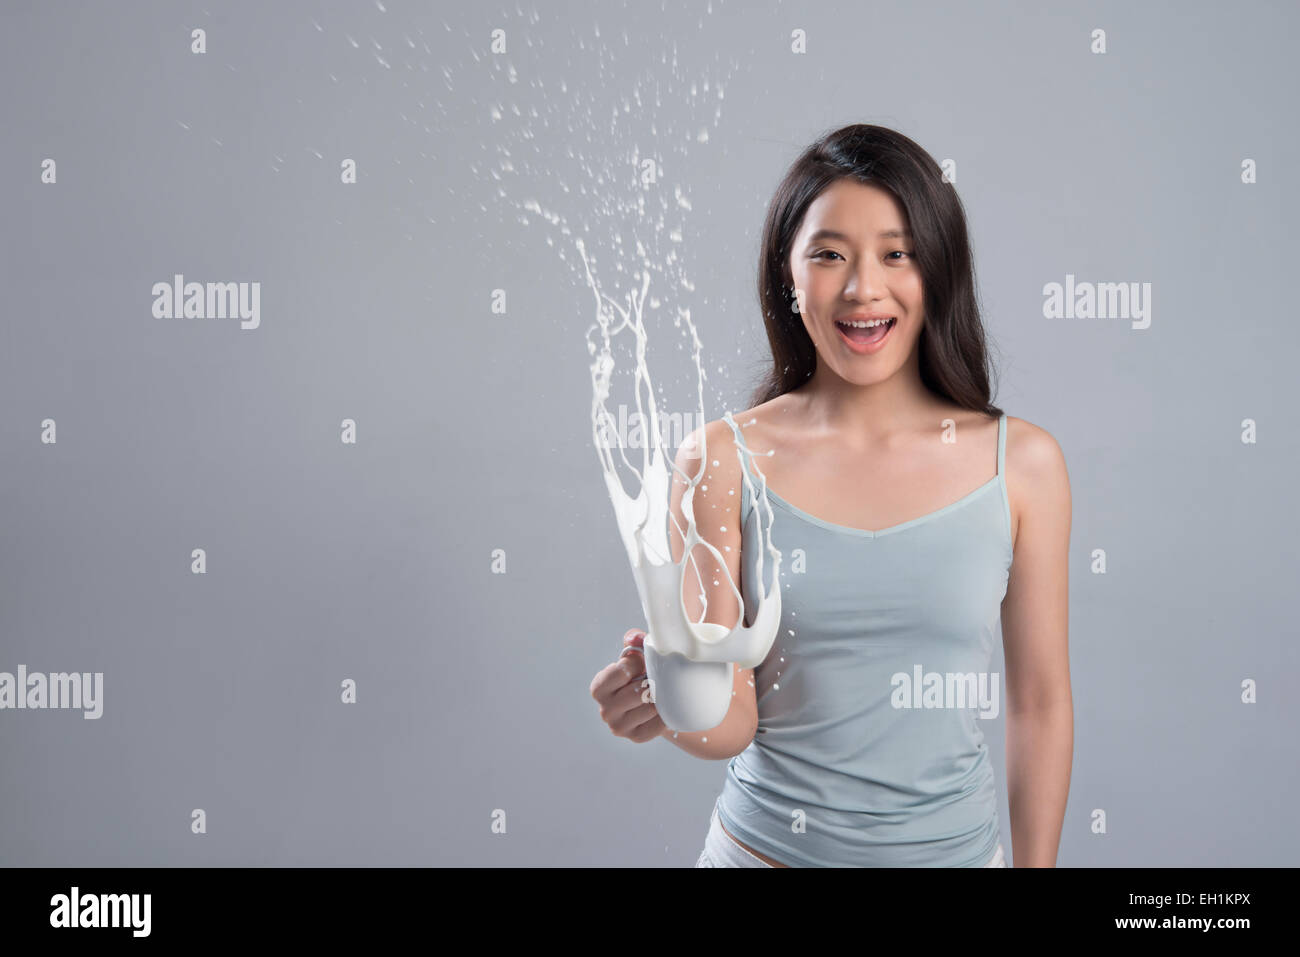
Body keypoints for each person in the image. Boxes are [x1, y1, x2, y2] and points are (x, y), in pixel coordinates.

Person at [589, 124, 1072, 867]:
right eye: (828, 255)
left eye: (896, 253)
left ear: (936, 270)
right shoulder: (720, 458)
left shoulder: (1025, 466)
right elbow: (732, 720)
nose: (861, 287)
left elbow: (1039, 705)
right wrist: (671, 693)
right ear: (788, 272)